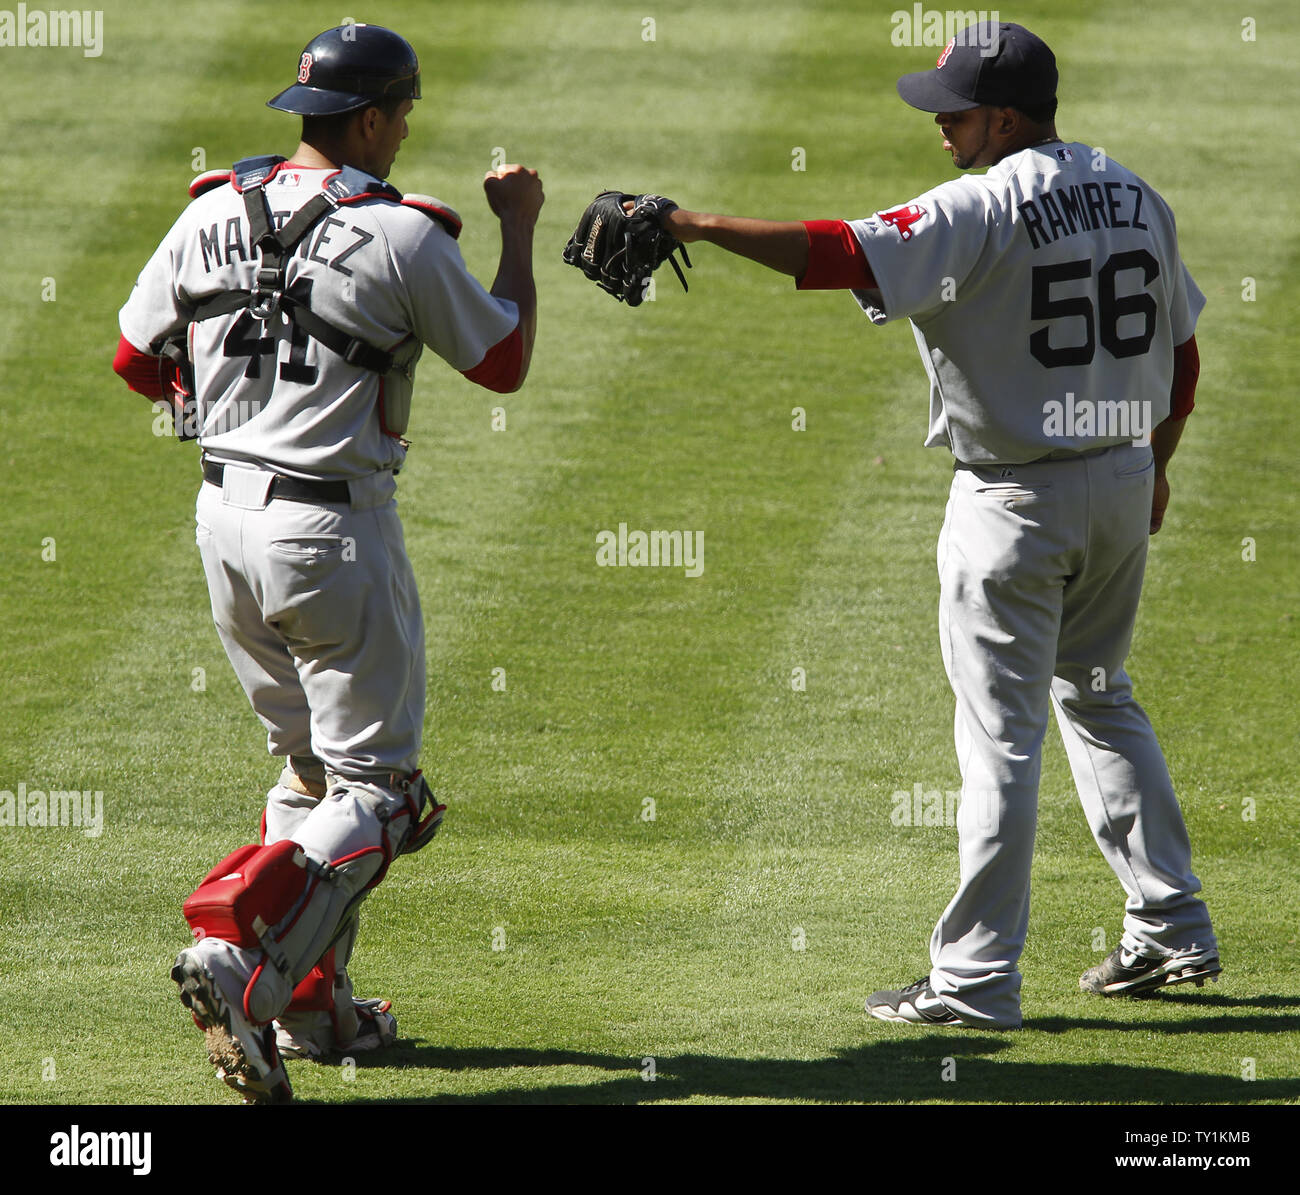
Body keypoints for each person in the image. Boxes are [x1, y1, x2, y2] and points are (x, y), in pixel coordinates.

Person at [634, 21, 1217, 1029]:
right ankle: (1170, 926)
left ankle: (975, 980)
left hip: (1014, 505)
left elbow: (834, 255)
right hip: (1118, 476)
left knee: (1000, 740)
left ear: (1001, 115)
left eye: (953, 110)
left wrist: (691, 222)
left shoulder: (980, 202)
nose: (939, 126)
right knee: (1097, 693)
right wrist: (1154, 470)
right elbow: (1186, 350)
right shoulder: (1133, 190)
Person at [112, 23, 544, 1100]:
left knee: (309, 775)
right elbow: (503, 360)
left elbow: (132, 357)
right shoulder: (402, 236)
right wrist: (520, 232)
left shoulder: (207, 210)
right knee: (386, 793)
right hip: (332, 535)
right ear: (367, 120)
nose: (405, 130)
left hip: (224, 531)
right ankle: (247, 964)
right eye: (401, 113)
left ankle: (317, 1008)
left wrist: (222, 409)